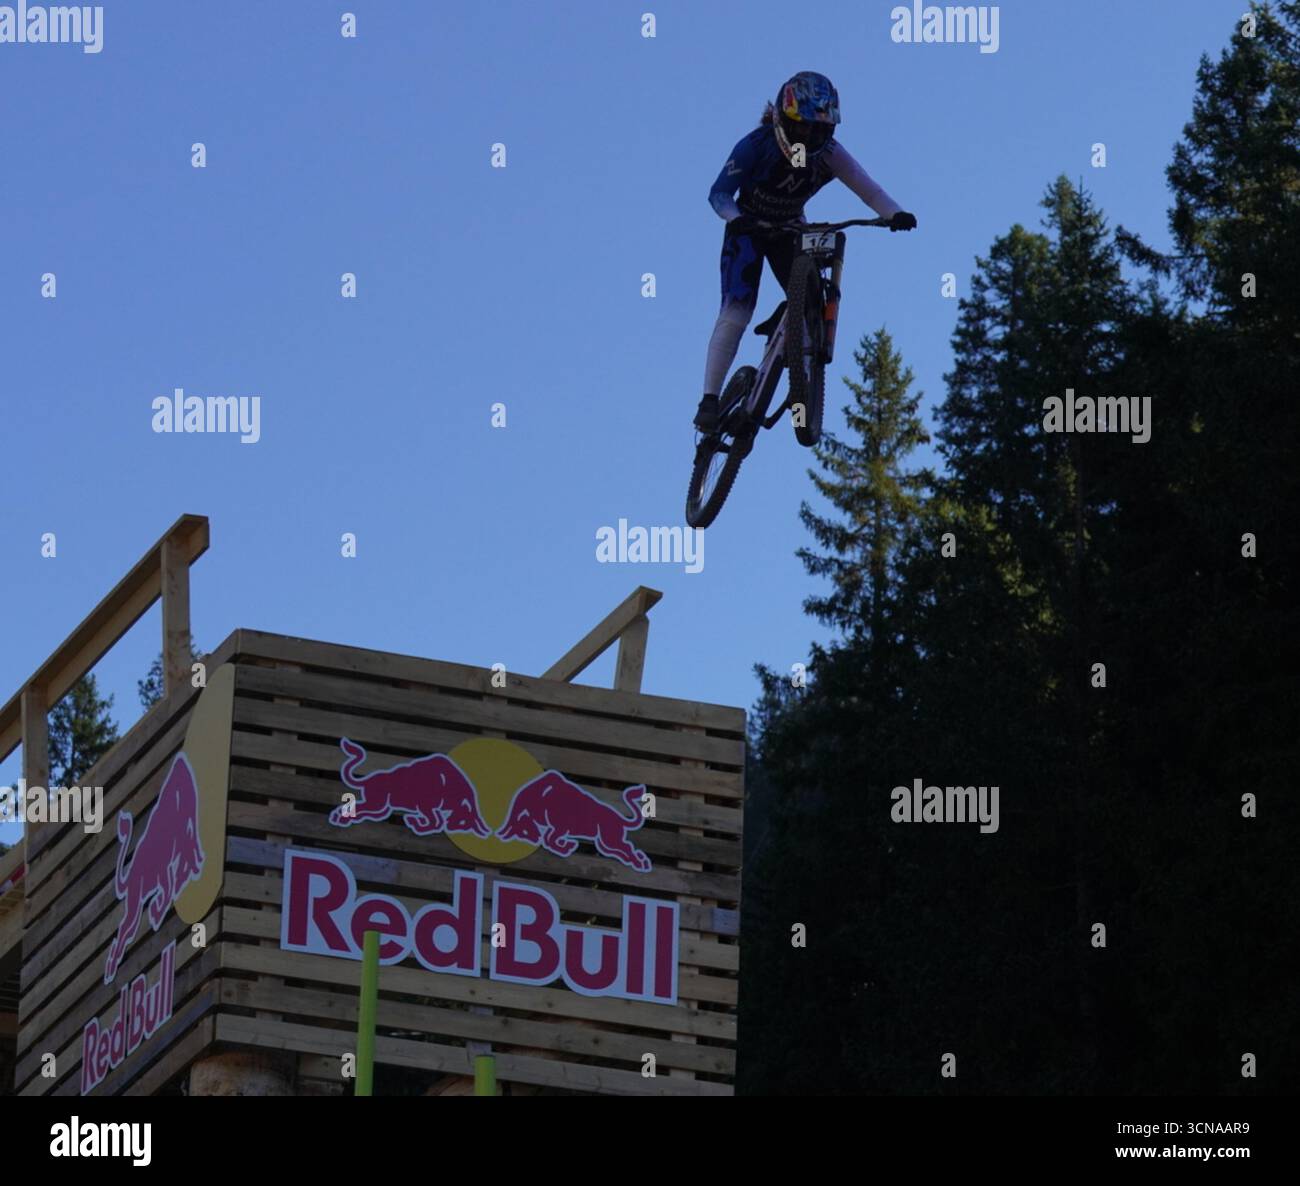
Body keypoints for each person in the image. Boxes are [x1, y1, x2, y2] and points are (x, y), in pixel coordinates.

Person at [695, 71, 916, 433]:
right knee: (737, 310)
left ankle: (799, 343)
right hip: (749, 228)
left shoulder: (831, 154)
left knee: (811, 284)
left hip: (789, 227)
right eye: (803, 129)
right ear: (783, 120)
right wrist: (735, 219)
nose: (810, 139)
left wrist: (895, 214)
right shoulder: (754, 146)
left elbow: (868, 189)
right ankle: (709, 399)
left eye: (820, 131)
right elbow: (719, 194)